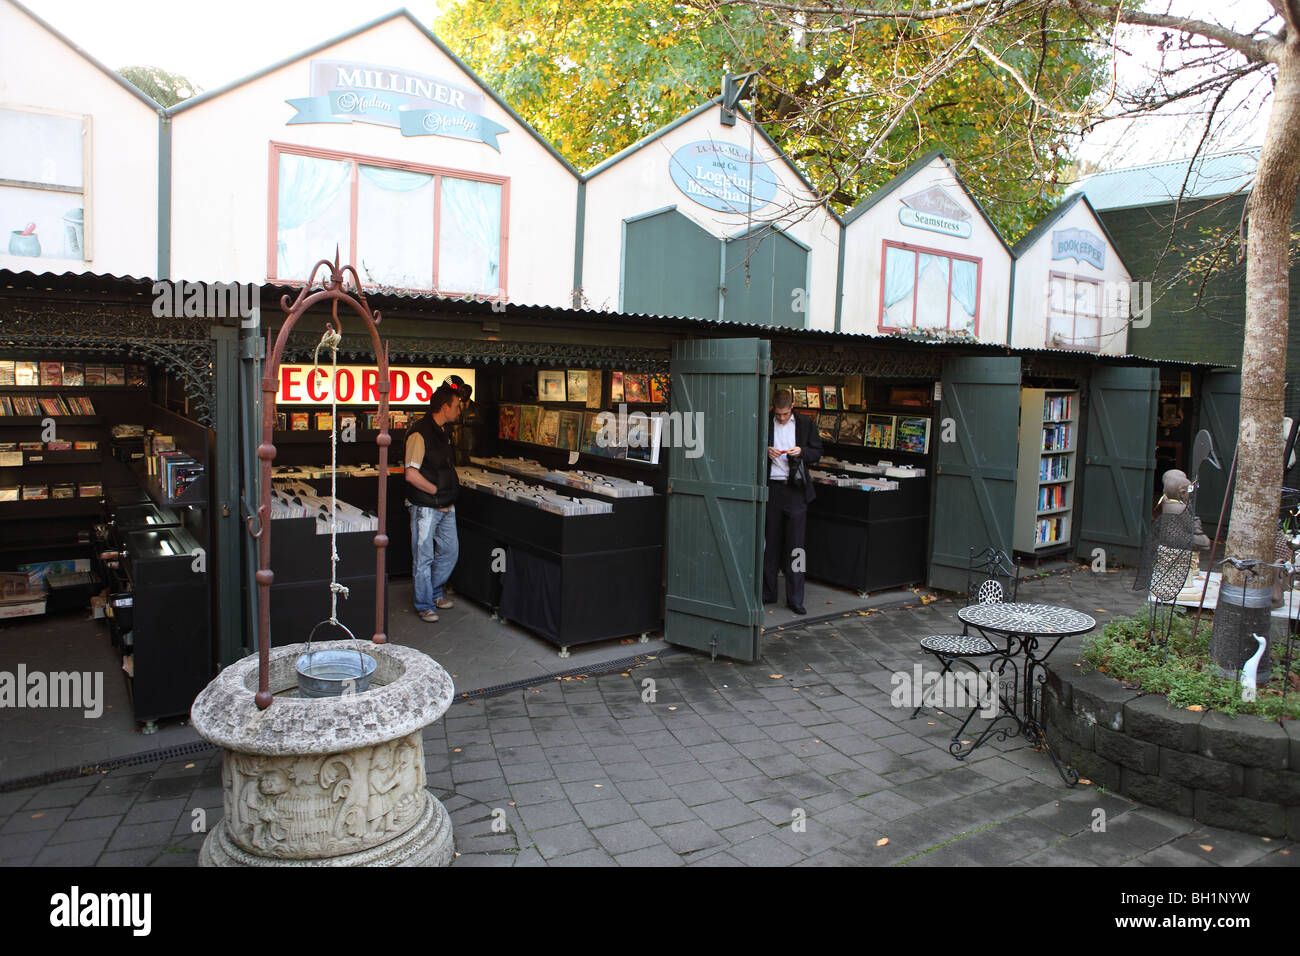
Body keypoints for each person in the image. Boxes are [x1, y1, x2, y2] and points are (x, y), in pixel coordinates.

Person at [404, 376, 470, 622]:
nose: (459, 410)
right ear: (445, 407)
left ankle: (432, 593)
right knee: (424, 557)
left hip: (446, 505)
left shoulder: (444, 430)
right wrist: (434, 491)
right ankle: (424, 603)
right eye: (456, 406)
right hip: (425, 507)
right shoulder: (419, 434)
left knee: (450, 552)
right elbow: (411, 474)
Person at [763, 388, 822, 615]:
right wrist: (764, 451)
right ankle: (768, 593)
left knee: (797, 548)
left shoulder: (805, 424)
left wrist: (802, 452)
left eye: (785, 414)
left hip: (796, 491)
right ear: (773, 409)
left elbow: (817, 452)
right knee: (770, 546)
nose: (781, 418)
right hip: (773, 489)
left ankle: (796, 598)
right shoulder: (765, 422)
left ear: (792, 409)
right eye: (778, 414)